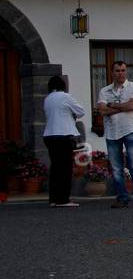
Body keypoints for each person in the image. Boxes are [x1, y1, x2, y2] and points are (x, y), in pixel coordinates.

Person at [96, 59, 133, 208]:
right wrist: (123, 107)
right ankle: (122, 197)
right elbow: (102, 110)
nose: (121, 73)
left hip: (129, 129)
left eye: (123, 70)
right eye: (118, 71)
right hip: (112, 132)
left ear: (126, 71)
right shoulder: (104, 91)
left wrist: (112, 105)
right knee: (116, 167)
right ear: (112, 72)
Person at [42, 75, 84, 207]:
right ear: (63, 86)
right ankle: (63, 199)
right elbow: (81, 111)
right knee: (65, 168)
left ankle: (53, 199)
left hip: (49, 136)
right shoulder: (65, 97)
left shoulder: (47, 99)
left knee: (55, 168)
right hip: (63, 135)